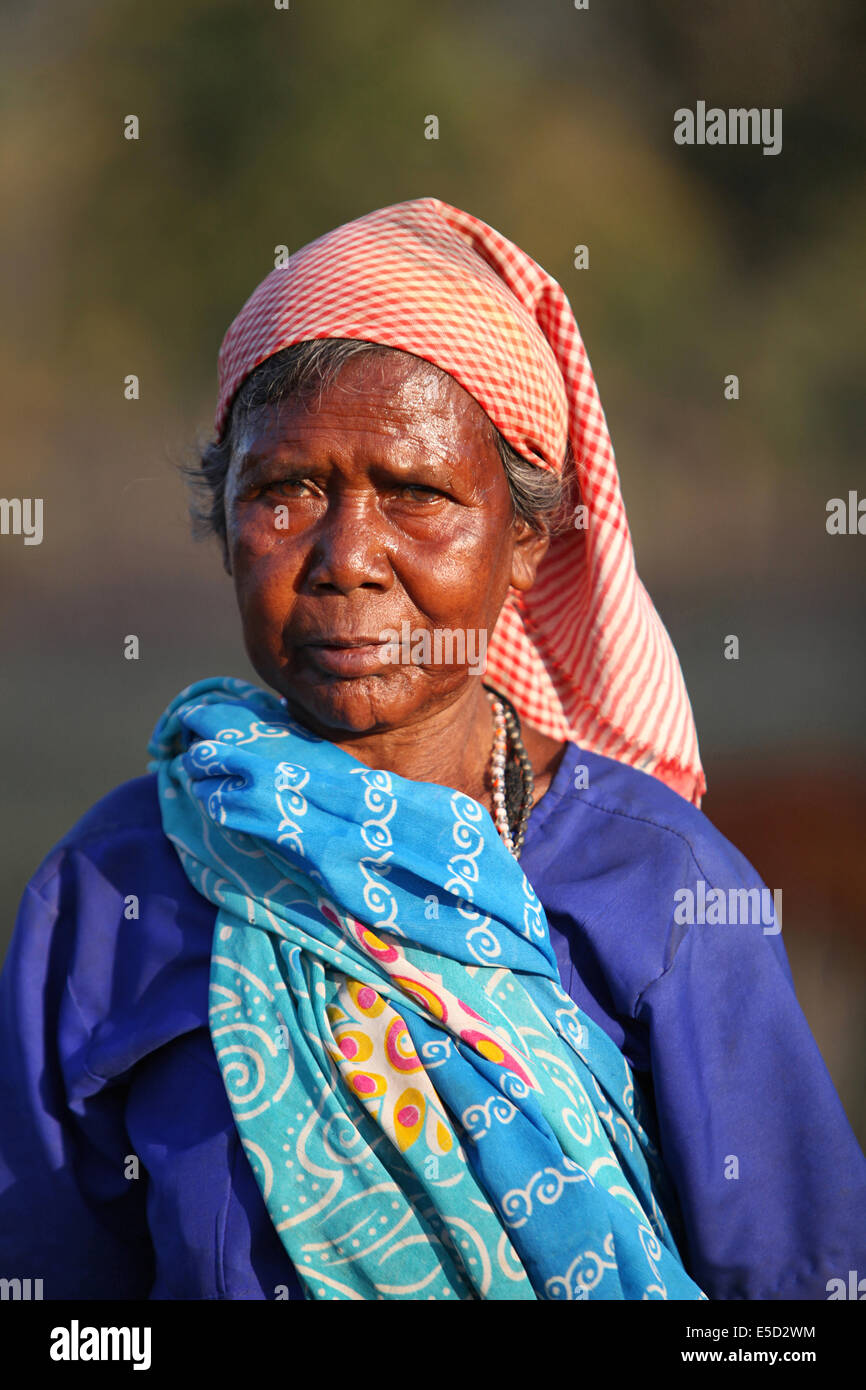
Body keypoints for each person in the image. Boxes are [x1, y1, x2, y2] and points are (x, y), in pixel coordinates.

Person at [1, 197, 863, 1301]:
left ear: (523, 542)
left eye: (415, 495)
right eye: (284, 492)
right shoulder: (112, 887)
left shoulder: (658, 888)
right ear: (222, 522)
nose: (345, 558)